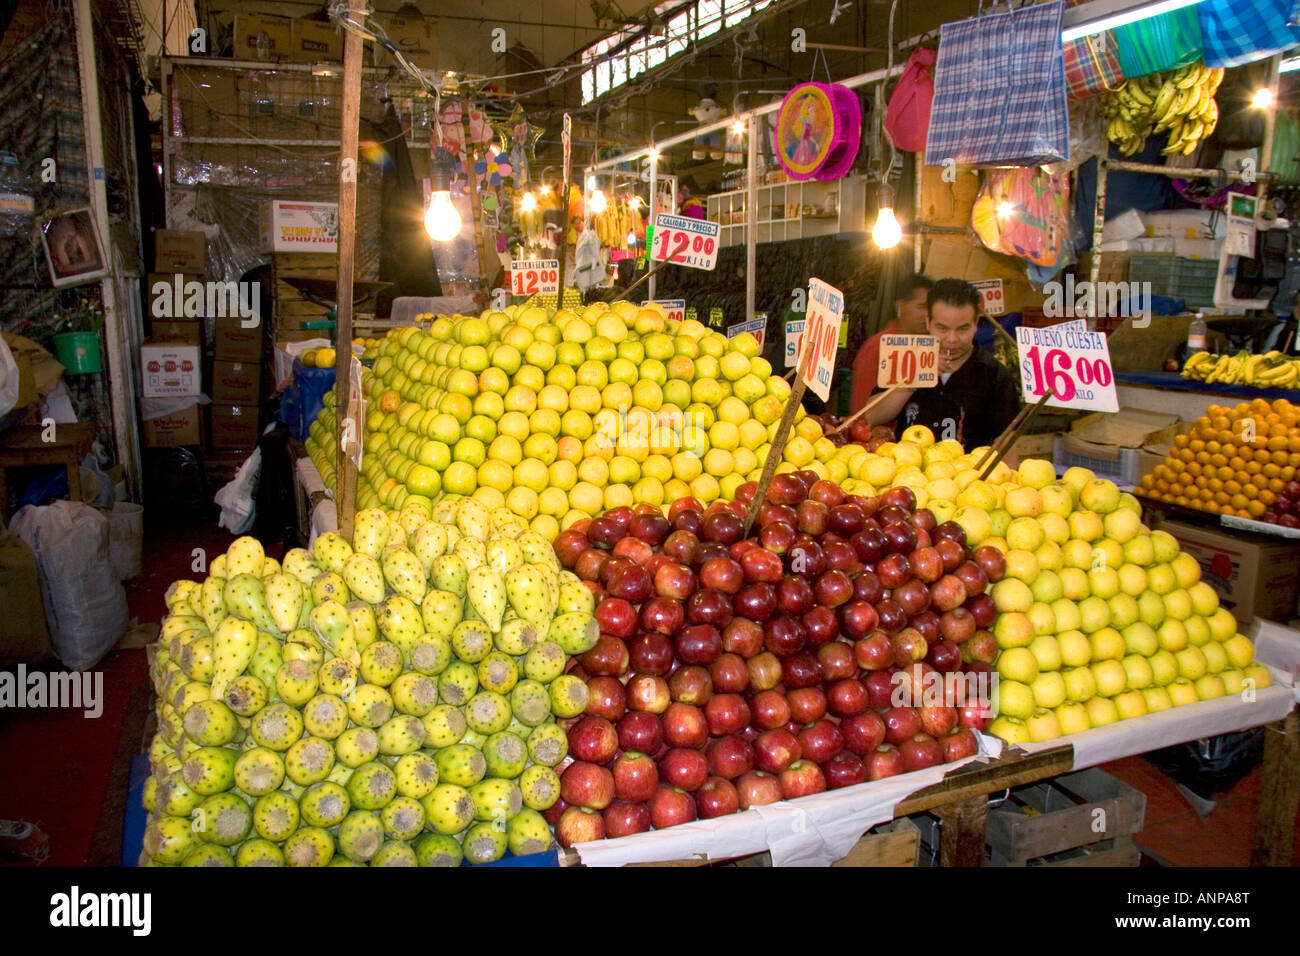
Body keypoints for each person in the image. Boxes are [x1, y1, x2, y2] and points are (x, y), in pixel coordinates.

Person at [865, 278, 1021, 450]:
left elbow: (1009, 443)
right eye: (942, 328)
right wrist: (916, 377)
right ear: (928, 323)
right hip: (909, 473)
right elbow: (871, 416)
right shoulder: (906, 359)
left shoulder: (994, 375)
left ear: (976, 324)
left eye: (962, 329)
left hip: (969, 475)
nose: (952, 339)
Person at [850, 275, 933, 415]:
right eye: (922, 307)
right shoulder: (877, 346)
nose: (927, 314)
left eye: (931, 308)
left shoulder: (934, 347)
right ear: (901, 306)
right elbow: (860, 411)